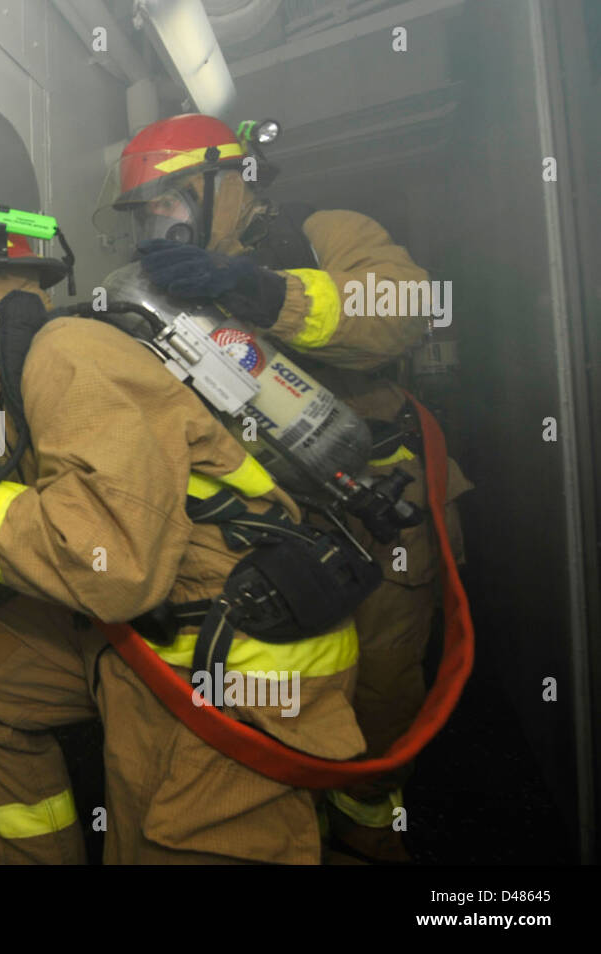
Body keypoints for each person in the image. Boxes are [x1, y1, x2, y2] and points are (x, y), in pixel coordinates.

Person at [0, 194, 368, 864]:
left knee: (165, 840)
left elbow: (117, 563)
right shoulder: (18, 379)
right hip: (154, 616)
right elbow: (83, 517)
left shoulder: (66, 354)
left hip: (229, 654)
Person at [102, 113, 472, 862]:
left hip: (378, 504)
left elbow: (404, 306)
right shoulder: (165, 291)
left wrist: (266, 295)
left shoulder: (322, 232)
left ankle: (369, 827)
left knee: (383, 689)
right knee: (290, 693)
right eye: (148, 211)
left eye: (170, 200)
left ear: (223, 183)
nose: (161, 222)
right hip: (272, 525)